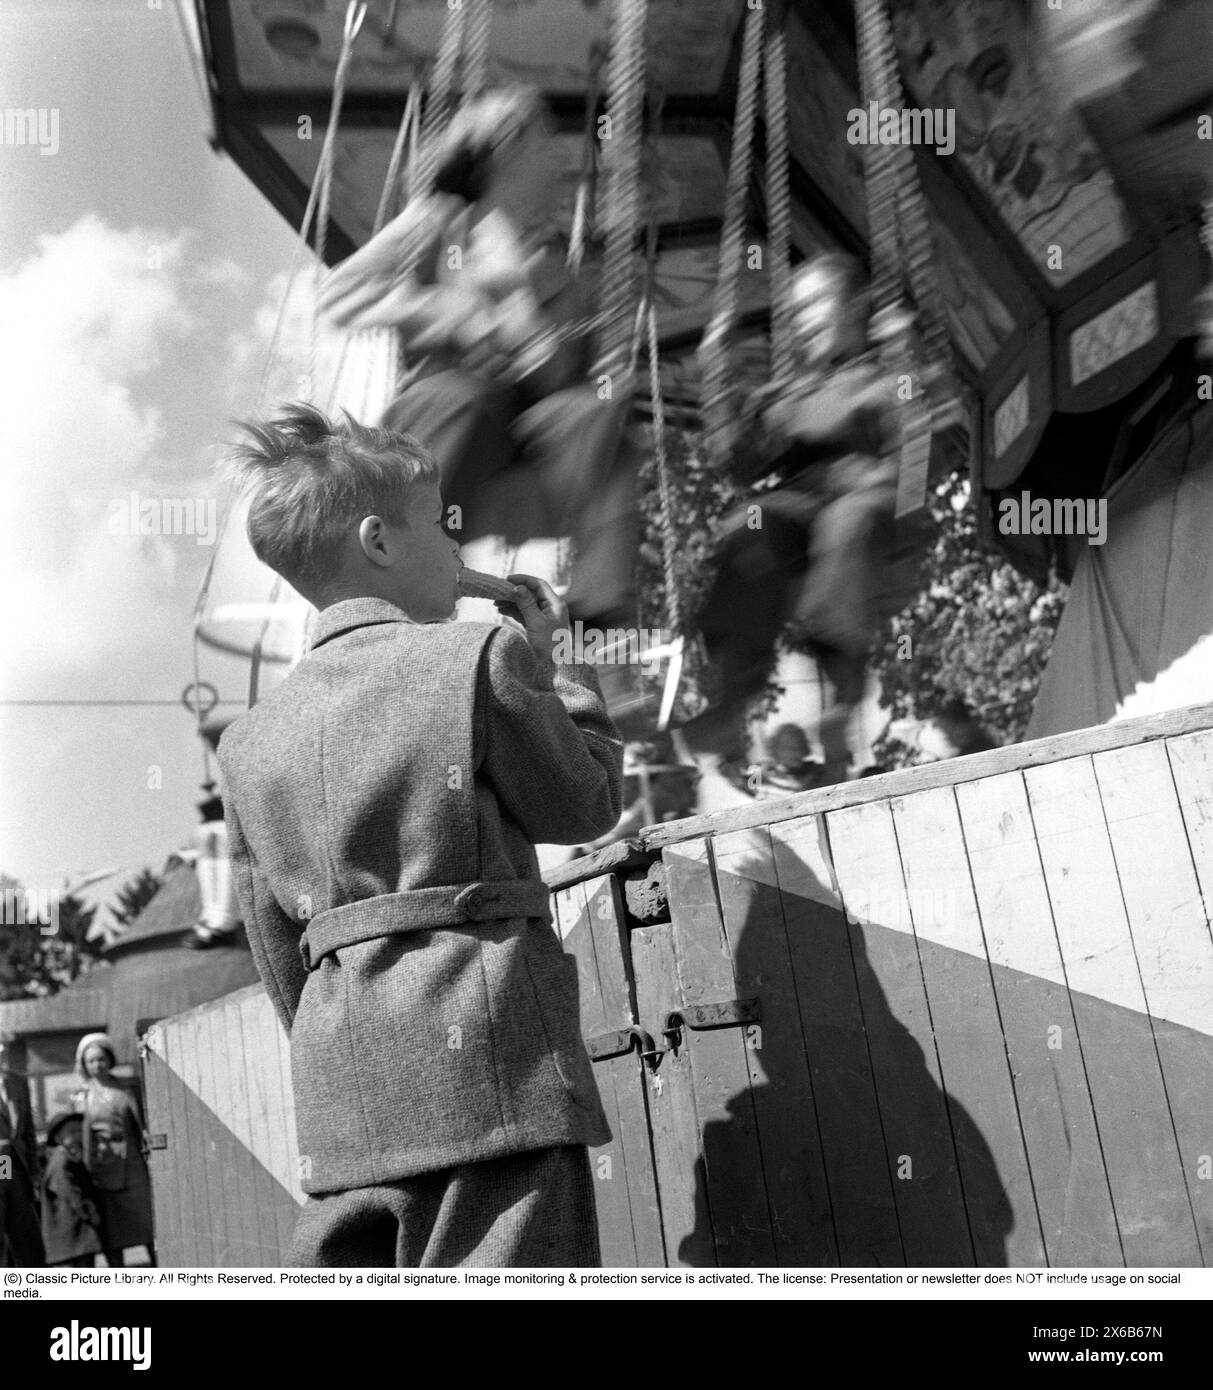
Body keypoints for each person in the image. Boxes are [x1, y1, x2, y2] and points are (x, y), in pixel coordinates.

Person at [216, 405, 622, 1267]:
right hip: (496, 1079)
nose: (458, 549)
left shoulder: (246, 745)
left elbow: (277, 955)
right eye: (444, 525)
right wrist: (551, 663)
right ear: (379, 541)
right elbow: (583, 804)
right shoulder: (477, 660)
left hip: (344, 1105)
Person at [320, 84, 638, 633]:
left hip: (517, 436)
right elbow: (342, 292)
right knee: (472, 401)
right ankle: (395, 586)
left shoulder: (552, 261)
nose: (558, 158)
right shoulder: (440, 221)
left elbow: (559, 377)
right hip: (445, 408)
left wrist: (542, 341)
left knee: (605, 424)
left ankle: (597, 611)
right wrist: (454, 310)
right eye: (544, 142)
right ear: (505, 146)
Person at [677, 252, 908, 790]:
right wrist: (718, 374)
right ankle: (734, 693)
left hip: (866, 506)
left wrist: (906, 360)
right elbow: (740, 460)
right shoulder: (791, 393)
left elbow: (912, 453)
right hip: (801, 518)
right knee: (750, 525)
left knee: (848, 522)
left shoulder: (887, 375)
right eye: (795, 310)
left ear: (856, 306)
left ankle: (844, 697)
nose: (803, 320)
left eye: (816, 303)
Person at [73, 1034, 155, 1268]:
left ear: (110, 1059)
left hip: (132, 1164)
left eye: (101, 1059)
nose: (97, 1065)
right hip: (102, 1167)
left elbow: (142, 1123)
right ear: (84, 1065)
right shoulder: (82, 1096)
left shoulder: (128, 1088)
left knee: (145, 1224)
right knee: (113, 1232)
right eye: (91, 1061)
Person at [0, 1032, 45, 1266]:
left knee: (26, 1235)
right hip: (2, 1163)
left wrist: (35, 1172)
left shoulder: (17, 1082)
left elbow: (27, 1132)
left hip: (17, 1166)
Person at [40, 1112, 102, 1268]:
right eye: (71, 1132)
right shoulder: (60, 1162)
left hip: (76, 1238)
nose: (77, 1136)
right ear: (58, 1138)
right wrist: (88, 1212)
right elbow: (70, 1193)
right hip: (68, 1238)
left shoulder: (70, 1158)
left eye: (78, 1131)